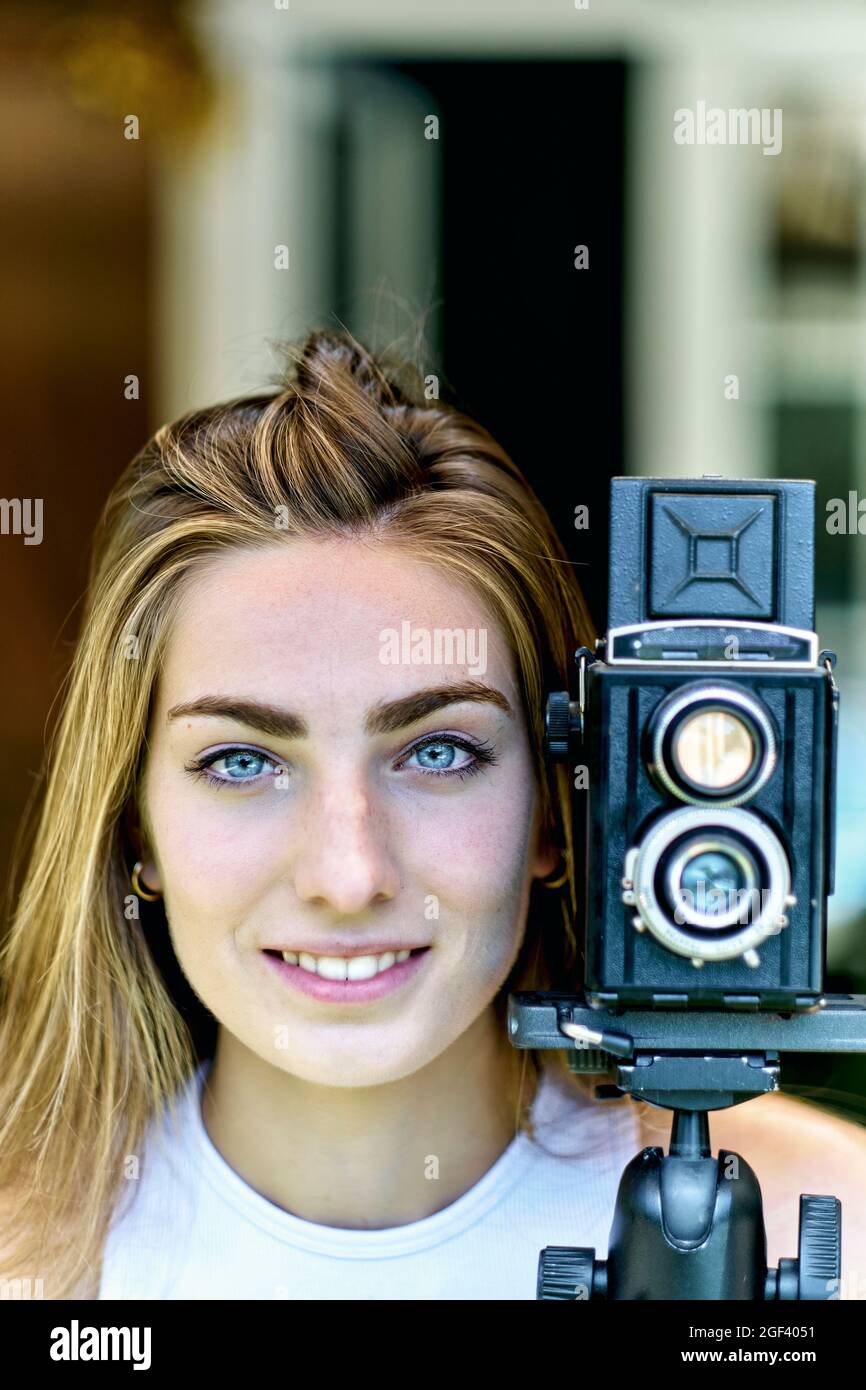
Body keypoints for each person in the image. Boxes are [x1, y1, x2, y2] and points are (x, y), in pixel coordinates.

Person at [1, 329, 864, 1301]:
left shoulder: (836, 1221)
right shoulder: (24, 1255)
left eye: (437, 752)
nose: (347, 873)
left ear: (558, 807)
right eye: (241, 760)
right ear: (134, 826)